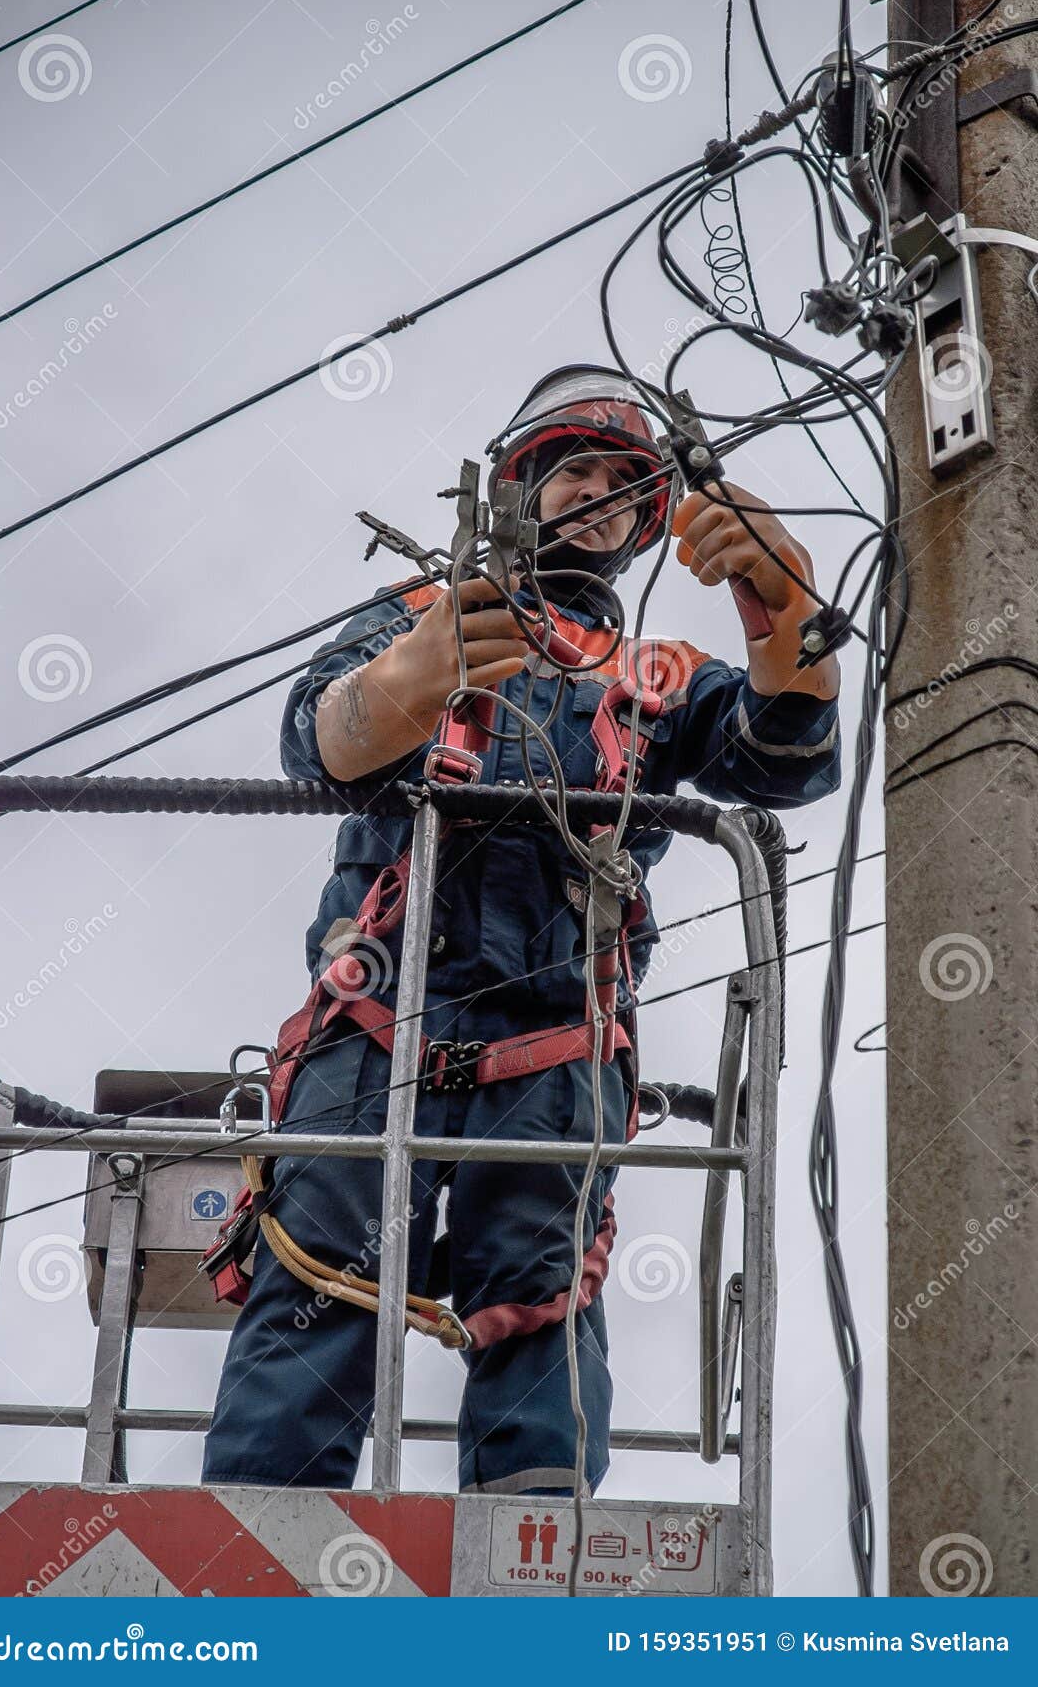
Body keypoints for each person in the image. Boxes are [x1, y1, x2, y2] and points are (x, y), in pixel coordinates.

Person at [201, 366, 841, 1498]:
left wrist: (781, 602)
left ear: (647, 523)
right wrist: (429, 661)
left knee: (538, 1295)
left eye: (620, 483)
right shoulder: (417, 615)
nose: (596, 494)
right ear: (523, 484)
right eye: (575, 471)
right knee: (317, 1283)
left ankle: (532, 1559)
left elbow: (788, 755)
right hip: (376, 1021)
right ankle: (268, 1542)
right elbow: (320, 743)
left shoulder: (654, 675)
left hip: (555, 1042)